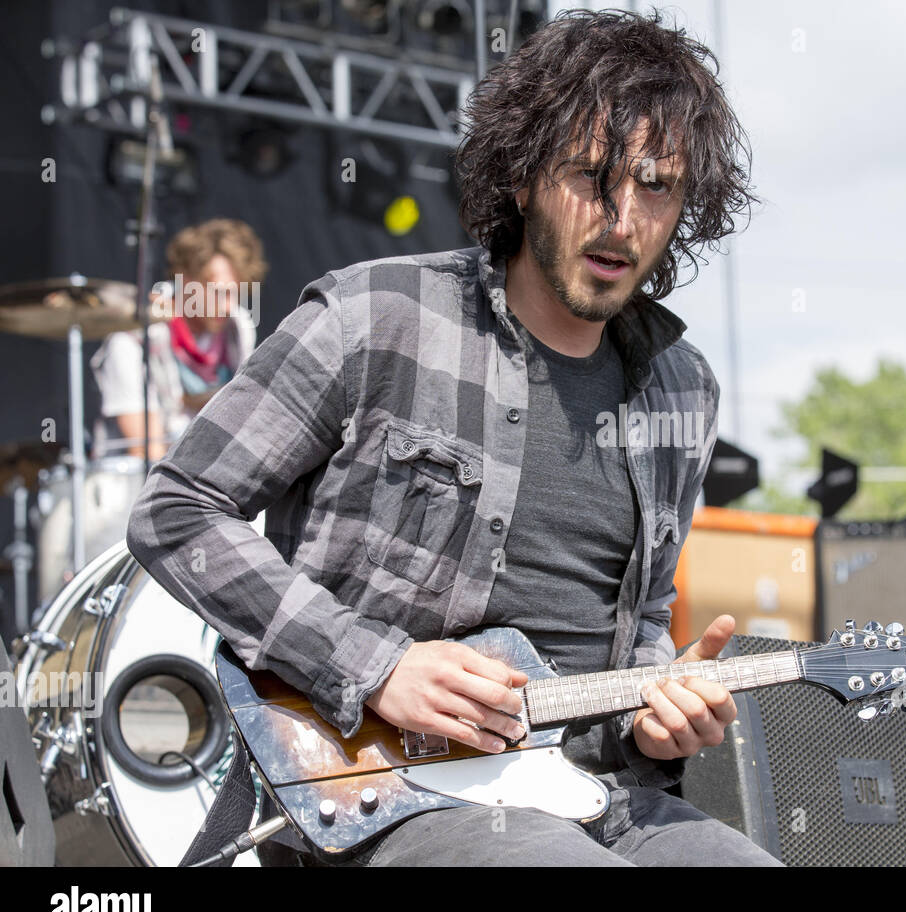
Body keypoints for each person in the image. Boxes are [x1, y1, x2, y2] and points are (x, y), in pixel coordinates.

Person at [127, 9, 776, 866]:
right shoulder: (376, 315)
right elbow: (177, 511)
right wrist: (376, 665)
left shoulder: (682, 385)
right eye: (593, 176)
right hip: (391, 792)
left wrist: (659, 725)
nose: (623, 220)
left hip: (603, 795)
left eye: (657, 186)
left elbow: (640, 619)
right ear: (521, 176)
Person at [91, 218, 265, 461]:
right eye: (218, 291)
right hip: (145, 486)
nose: (228, 305)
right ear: (185, 278)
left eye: (236, 293)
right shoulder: (132, 337)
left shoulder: (238, 327)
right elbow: (146, 451)